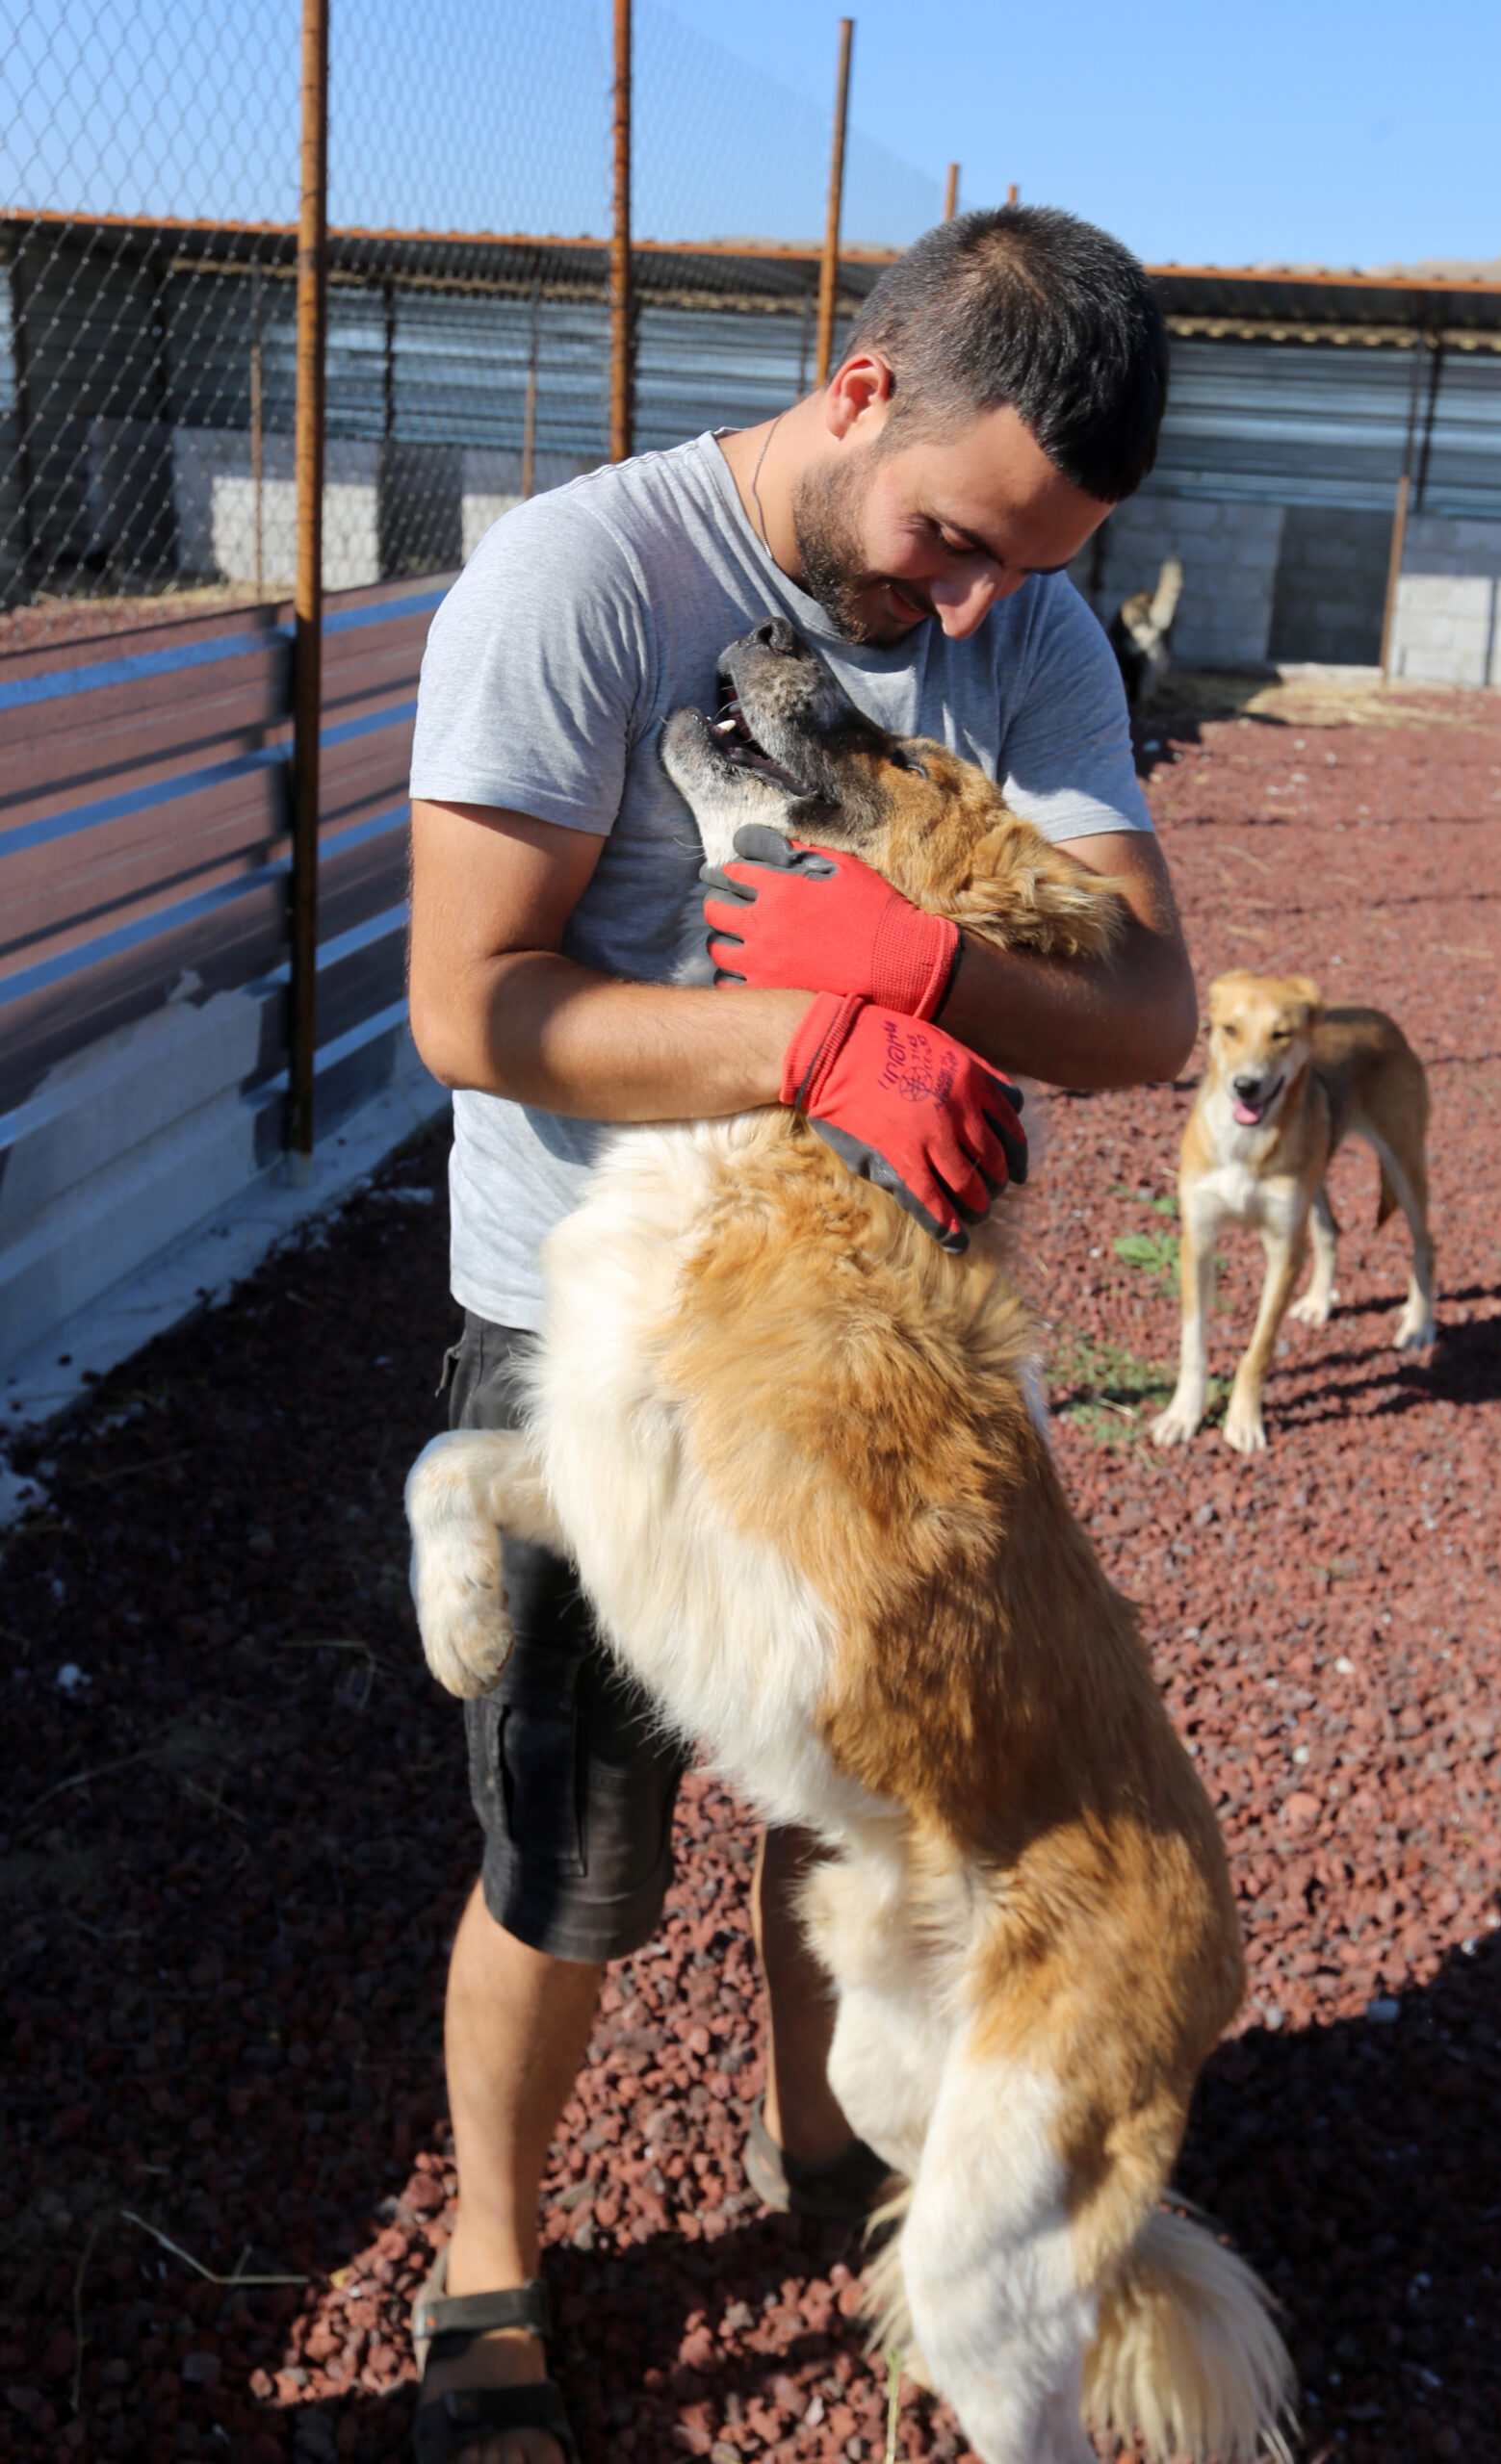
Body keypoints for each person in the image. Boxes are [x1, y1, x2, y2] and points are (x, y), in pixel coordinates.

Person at [402, 204, 1198, 2464]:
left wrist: (933, 979)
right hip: (610, 1315)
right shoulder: (585, 580)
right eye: (949, 538)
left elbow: (1142, 1005)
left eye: (1016, 568)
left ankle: (825, 2152)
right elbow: (473, 1004)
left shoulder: (1023, 619)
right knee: (570, 1852)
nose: (964, 609)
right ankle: (489, 2257)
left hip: (870, 1325)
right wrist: (809, 1035)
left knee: (850, 1774)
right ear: (858, 394)